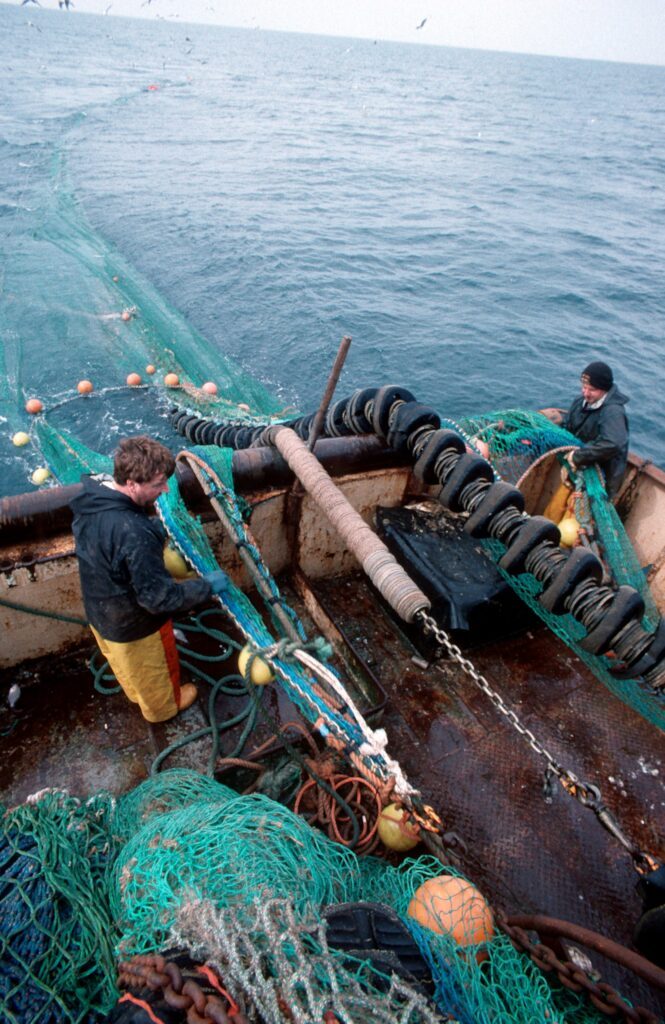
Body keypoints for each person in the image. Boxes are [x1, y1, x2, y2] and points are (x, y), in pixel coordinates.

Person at [70, 436, 229, 723]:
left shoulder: (90, 496)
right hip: (135, 629)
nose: (165, 489)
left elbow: (113, 546)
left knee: (127, 669)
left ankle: (135, 692)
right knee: (155, 674)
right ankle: (164, 708)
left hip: (100, 613)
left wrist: (150, 530)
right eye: (158, 485)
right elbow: (160, 600)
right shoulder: (134, 533)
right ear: (132, 483)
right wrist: (206, 586)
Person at [541, 360, 629, 498]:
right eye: (584, 387)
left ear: (604, 389)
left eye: (592, 389)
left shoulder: (613, 412)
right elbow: (567, 428)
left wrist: (577, 457)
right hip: (579, 466)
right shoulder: (580, 401)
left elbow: (613, 443)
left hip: (601, 478)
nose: (586, 393)